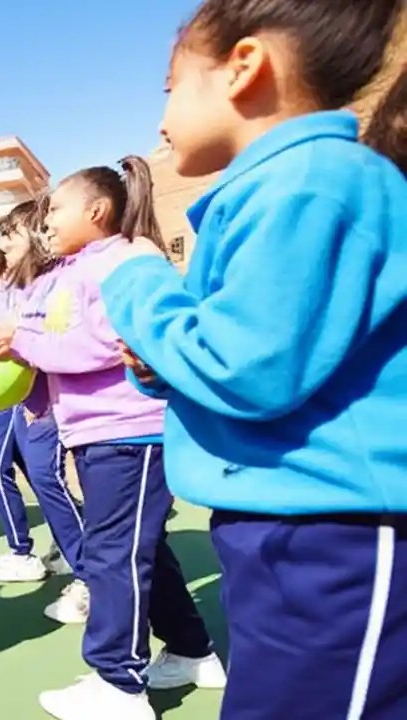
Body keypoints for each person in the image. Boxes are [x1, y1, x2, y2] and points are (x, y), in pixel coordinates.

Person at [99, 2, 407, 717]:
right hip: (289, 523)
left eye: (170, 86)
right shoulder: (283, 186)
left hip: (340, 537)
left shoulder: (315, 181)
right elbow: (249, 350)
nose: (161, 118)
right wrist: (165, 361)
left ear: (244, 67)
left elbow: (249, 368)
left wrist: (140, 282)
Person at [0, 156, 224, 720]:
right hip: (97, 433)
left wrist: (22, 341)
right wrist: (25, 375)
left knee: (113, 555)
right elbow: (52, 342)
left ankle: (119, 684)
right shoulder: (71, 270)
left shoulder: (119, 263)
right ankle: (193, 652)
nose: (47, 222)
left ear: (97, 209)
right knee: (141, 549)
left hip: (131, 433)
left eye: (57, 210)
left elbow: (101, 345)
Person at [0, 201, 90, 626]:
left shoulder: (59, 281)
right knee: (38, 476)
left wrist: (17, 340)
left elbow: (55, 339)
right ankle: (73, 553)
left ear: (36, 236)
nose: (4, 245)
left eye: (11, 236)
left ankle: (89, 571)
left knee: (45, 476)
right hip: (26, 402)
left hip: (56, 403)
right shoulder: (15, 287)